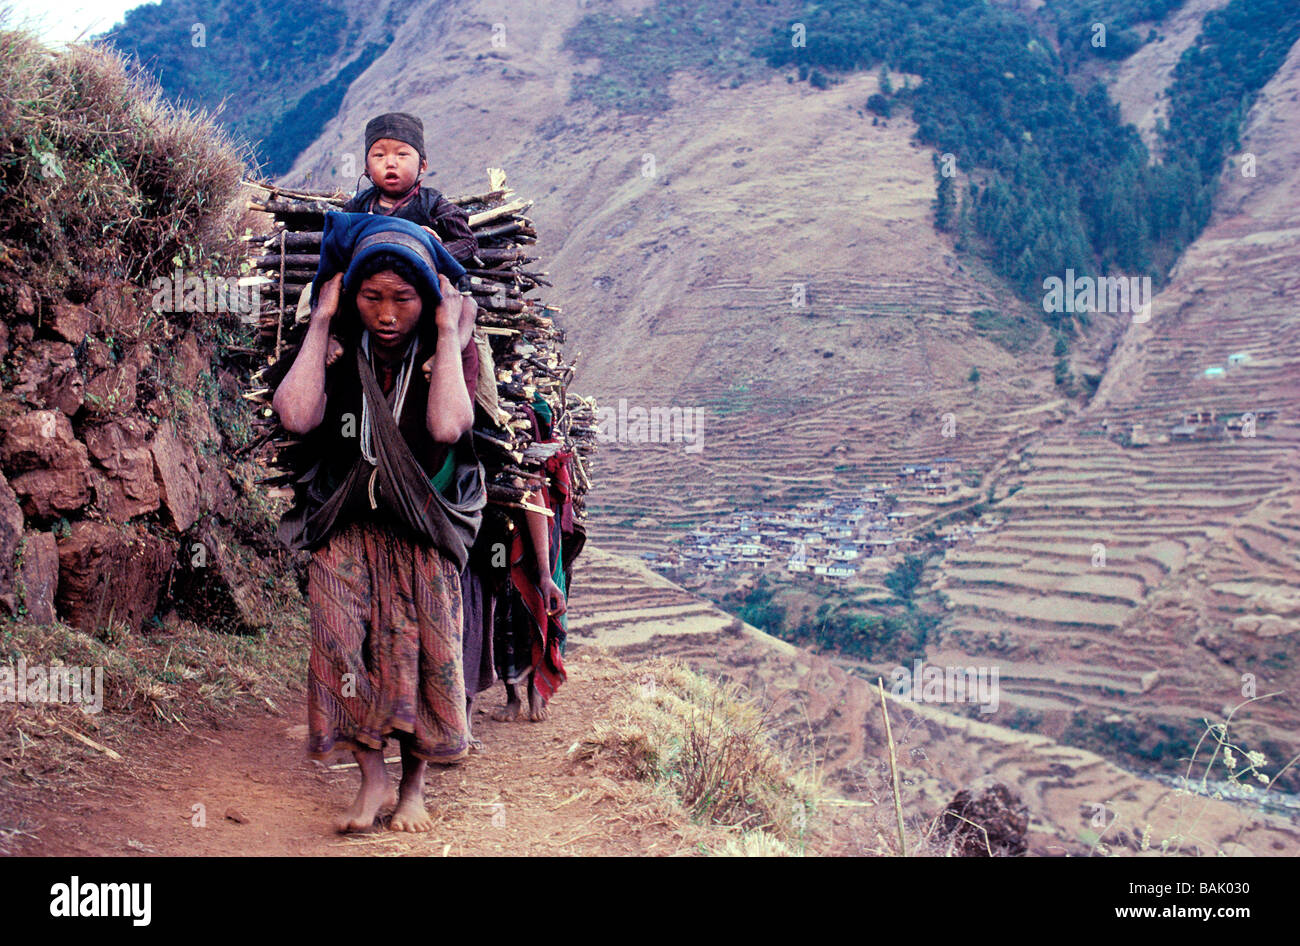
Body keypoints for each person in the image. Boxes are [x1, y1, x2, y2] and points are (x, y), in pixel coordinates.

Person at [272, 212, 485, 833]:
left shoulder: (448, 355)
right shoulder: (335, 349)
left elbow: (447, 427)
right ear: (351, 297)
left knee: (426, 655)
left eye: (403, 299)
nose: (387, 314)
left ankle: (414, 788)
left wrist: (448, 336)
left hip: (423, 532)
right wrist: (319, 322)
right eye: (371, 298)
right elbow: (296, 417)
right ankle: (370, 781)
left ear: (428, 300)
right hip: (346, 525)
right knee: (340, 645)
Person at [492, 395, 584, 722]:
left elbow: (539, 504)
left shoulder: (537, 470)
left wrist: (545, 572)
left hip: (540, 547)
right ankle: (512, 696)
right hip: (502, 545)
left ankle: (534, 691)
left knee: (536, 611)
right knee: (504, 619)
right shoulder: (502, 459)